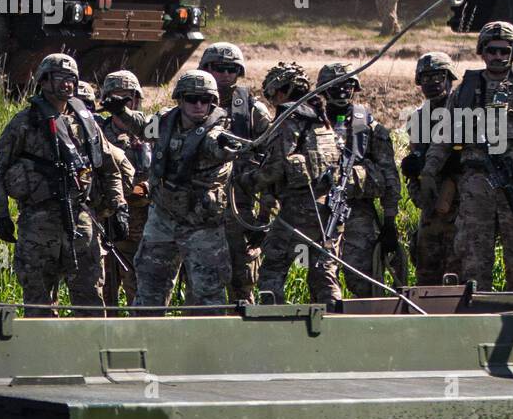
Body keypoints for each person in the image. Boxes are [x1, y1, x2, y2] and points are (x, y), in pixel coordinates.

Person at [419, 21, 513, 291]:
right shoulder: (465, 91)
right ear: (482, 52)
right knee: (473, 256)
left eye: (504, 51)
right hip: (476, 185)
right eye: (492, 50)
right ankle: (475, 316)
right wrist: (429, 170)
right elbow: (444, 135)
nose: (497, 56)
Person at [0, 53, 126, 316]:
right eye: (60, 78)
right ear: (44, 80)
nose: (68, 84)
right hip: (38, 224)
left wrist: (119, 207)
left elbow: (109, 167)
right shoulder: (24, 124)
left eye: (72, 78)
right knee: (38, 304)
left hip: (82, 222)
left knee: (90, 302)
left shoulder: (86, 123)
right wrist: (1, 215)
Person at [107, 70, 242, 309]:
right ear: (180, 98)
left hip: (202, 223)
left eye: (206, 99)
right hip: (163, 218)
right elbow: (144, 126)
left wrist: (230, 146)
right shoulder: (166, 122)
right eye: (192, 98)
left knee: (208, 295)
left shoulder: (218, 130)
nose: (199, 105)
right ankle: (145, 341)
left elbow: (219, 145)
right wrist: (121, 112)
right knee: (148, 289)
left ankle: (205, 346)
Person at [242, 62, 343, 304]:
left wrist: (247, 181)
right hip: (329, 208)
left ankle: (273, 325)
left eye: (271, 95)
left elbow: (277, 166)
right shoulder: (322, 117)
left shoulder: (289, 117)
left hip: (299, 209)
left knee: (272, 271)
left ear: (281, 90)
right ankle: (337, 322)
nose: (271, 101)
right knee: (323, 274)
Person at [316, 62, 401, 297]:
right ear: (323, 90)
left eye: (347, 86)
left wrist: (390, 222)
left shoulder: (370, 127)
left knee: (363, 281)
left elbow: (389, 175)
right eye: (335, 87)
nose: (342, 92)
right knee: (322, 278)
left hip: (358, 214)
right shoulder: (311, 124)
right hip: (318, 213)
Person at [199, 42, 274, 304]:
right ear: (207, 68)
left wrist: (264, 217)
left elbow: (272, 164)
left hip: (239, 210)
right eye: (220, 68)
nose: (227, 75)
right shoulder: (193, 105)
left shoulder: (252, 110)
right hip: (199, 210)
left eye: (233, 69)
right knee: (202, 282)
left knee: (242, 283)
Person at [402, 52, 462, 284]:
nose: (432, 83)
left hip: (458, 207)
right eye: (426, 78)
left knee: (457, 274)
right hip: (429, 207)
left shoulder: (461, 113)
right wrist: (413, 169)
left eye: (437, 76)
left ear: (449, 78)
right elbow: (416, 153)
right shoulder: (417, 118)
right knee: (426, 273)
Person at [96, 70, 152, 306]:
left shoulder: (152, 128)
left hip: (140, 226)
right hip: (104, 222)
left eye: (128, 98)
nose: (123, 104)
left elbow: (165, 166)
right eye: (115, 98)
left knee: (137, 290)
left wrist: (144, 189)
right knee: (104, 292)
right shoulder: (96, 130)